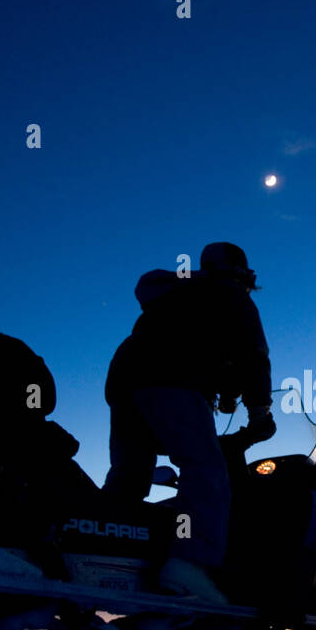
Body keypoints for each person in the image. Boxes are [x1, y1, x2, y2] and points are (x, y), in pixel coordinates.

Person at [103, 242, 275, 604]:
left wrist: (226, 394)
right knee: (205, 470)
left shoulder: (175, 292)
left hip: (126, 381)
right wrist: (259, 412)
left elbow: (198, 340)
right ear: (241, 272)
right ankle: (190, 566)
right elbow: (252, 356)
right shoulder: (231, 295)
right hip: (172, 380)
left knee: (129, 474)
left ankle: (101, 551)